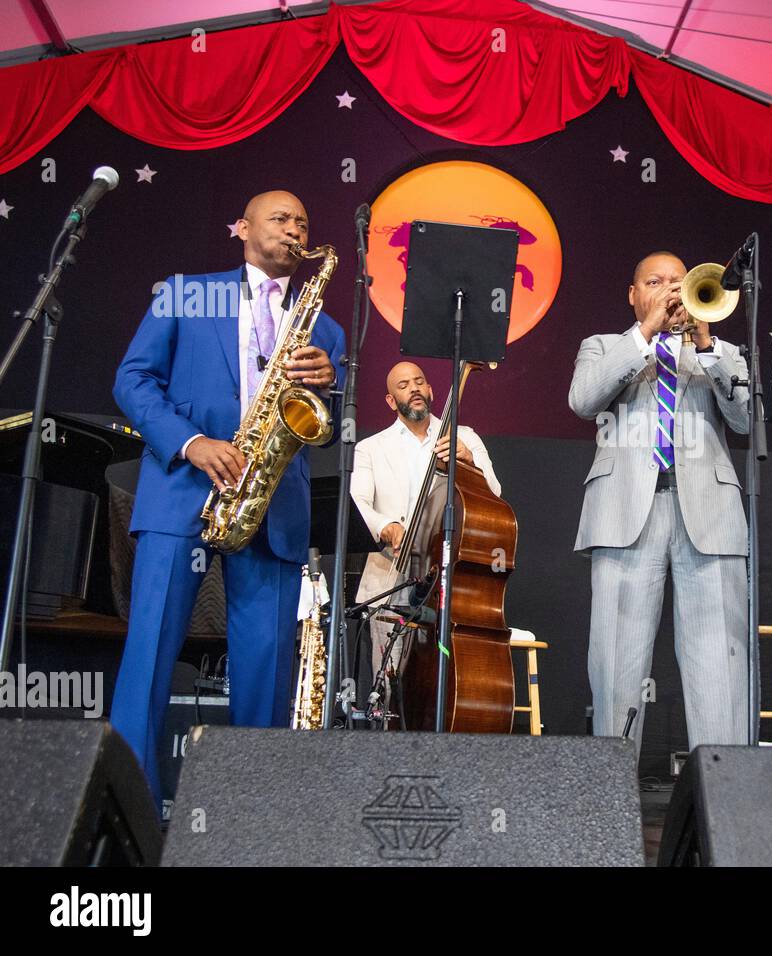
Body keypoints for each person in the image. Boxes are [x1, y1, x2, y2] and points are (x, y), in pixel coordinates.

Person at [111, 190, 345, 801]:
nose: (294, 228)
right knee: (148, 660)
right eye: (280, 218)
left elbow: (325, 425)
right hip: (182, 490)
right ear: (241, 228)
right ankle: (124, 803)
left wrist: (330, 381)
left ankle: (253, 812)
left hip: (272, 507)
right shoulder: (186, 291)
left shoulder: (326, 328)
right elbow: (132, 380)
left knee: (266, 675)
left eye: (303, 220)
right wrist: (191, 443)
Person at [569, 251, 750, 753]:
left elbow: (746, 421)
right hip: (626, 515)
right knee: (616, 665)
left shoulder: (721, 353)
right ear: (633, 293)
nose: (671, 291)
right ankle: (611, 797)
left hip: (708, 516)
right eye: (656, 281)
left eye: (679, 282)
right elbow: (583, 401)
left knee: (720, 668)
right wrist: (646, 333)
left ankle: (722, 798)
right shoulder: (604, 346)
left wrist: (706, 341)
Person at [350, 361, 500, 696]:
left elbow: (494, 492)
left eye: (419, 382)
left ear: (431, 391)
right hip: (389, 573)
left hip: (447, 578)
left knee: (438, 683)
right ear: (391, 401)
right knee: (385, 684)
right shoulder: (370, 448)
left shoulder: (465, 438)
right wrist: (386, 526)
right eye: (403, 385)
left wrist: (467, 463)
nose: (414, 388)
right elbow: (357, 501)